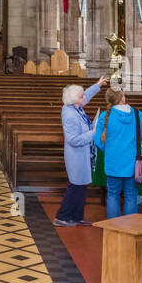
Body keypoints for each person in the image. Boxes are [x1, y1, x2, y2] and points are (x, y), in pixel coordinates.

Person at [53, 76, 109, 227]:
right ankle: (62, 216)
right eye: (81, 96)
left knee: (81, 186)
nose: (84, 97)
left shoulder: (76, 107)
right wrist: (94, 133)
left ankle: (77, 217)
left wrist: (98, 85)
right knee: (75, 187)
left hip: (83, 154)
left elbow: (87, 96)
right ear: (74, 99)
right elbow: (73, 139)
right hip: (76, 156)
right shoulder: (70, 114)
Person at [92, 86, 142, 219]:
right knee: (131, 195)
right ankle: (128, 230)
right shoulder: (137, 114)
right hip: (132, 163)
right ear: (122, 97)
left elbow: (98, 140)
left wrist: (110, 149)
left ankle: (114, 228)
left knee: (113, 194)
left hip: (113, 162)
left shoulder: (105, 116)